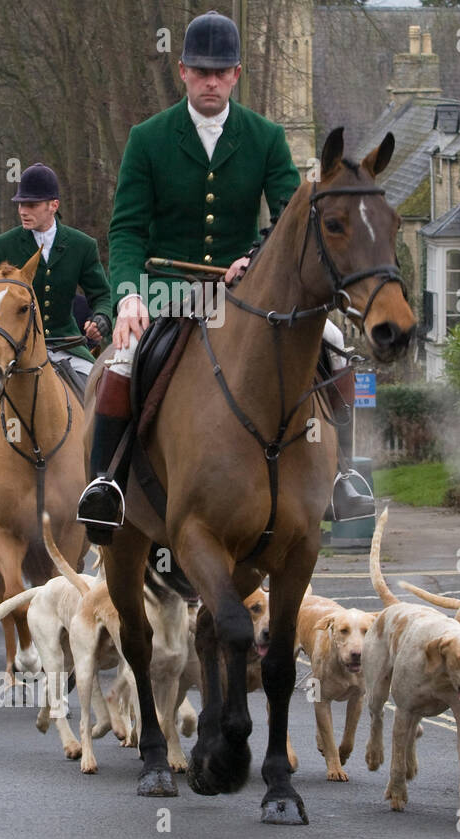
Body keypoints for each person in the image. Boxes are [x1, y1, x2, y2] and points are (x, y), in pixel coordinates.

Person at [76, 9, 372, 543]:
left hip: (242, 292)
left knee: (333, 342)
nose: (211, 80)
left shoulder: (265, 137)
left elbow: (291, 220)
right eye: (201, 71)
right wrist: (127, 296)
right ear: (183, 71)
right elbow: (125, 233)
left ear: (237, 75)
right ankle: (105, 484)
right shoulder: (148, 139)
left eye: (223, 71)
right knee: (122, 357)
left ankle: (344, 476)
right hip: (167, 290)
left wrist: (254, 261)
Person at [0, 164, 112, 395]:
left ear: (54, 205)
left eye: (31, 205)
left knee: (102, 396)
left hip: (67, 346)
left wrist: (102, 318)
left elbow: (102, 295)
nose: (23, 210)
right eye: (21, 204)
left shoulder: (82, 245)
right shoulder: (2, 246)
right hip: (13, 350)